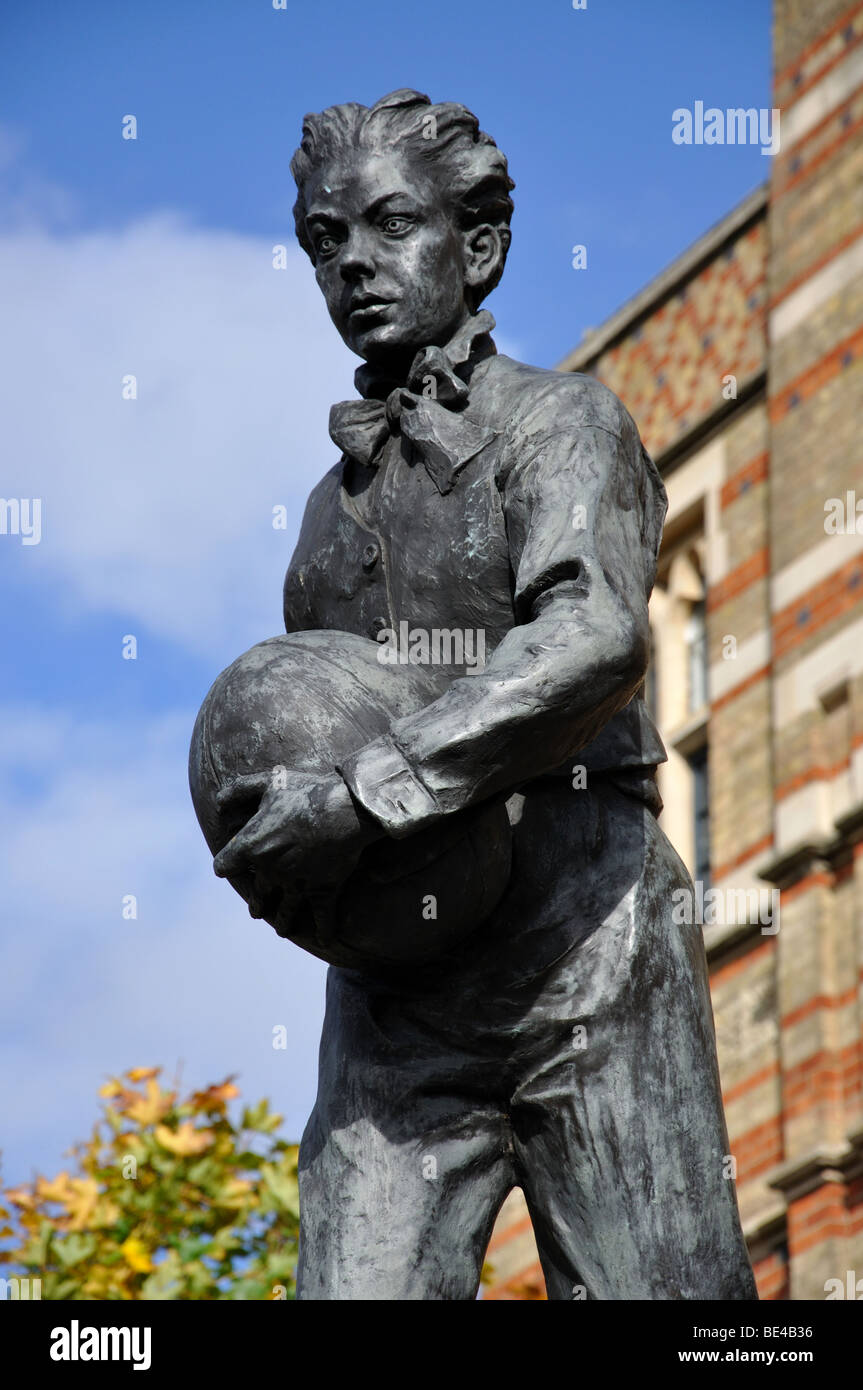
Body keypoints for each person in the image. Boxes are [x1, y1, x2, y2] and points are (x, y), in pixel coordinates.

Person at [212, 89, 758, 1301]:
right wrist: (279, 858)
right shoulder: (322, 519)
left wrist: (368, 793)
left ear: (478, 248)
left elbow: (598, 632)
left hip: (588, 950)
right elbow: (319, 714)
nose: (352, 261)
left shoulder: (562, 424)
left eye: (389, 224)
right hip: (399, 997)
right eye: (322, 240)